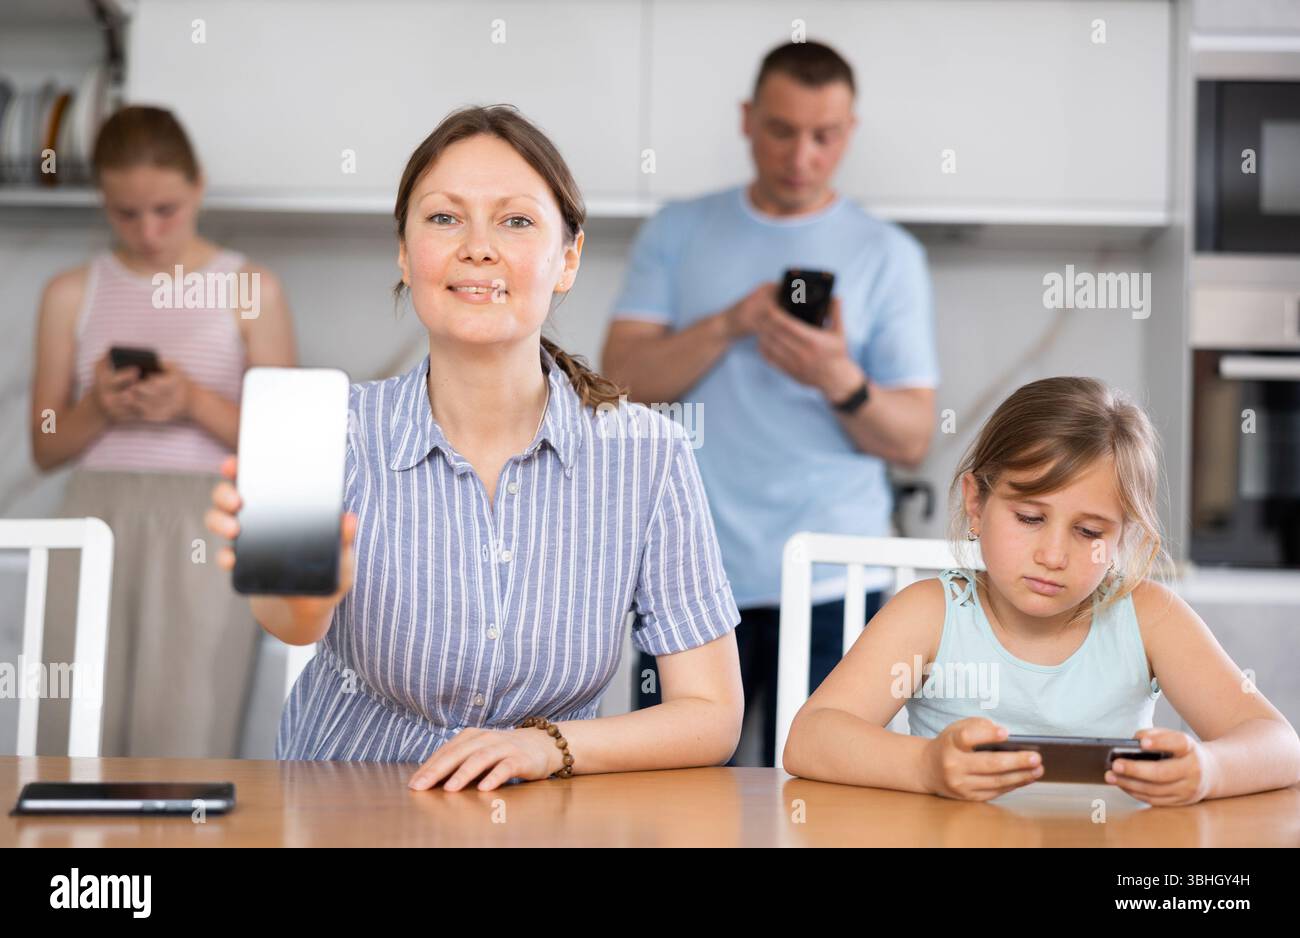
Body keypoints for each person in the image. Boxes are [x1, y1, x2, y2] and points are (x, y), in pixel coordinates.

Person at [205, 105, 744, 791]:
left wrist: (546, 747)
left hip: (543, 822)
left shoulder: (648, 455)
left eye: (516, 221)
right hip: (348, 812)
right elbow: (293, 626)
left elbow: (711, 715)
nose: (478, 246)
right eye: (443, 218)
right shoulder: (332, 430)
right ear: (405, 252)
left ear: (567, 259)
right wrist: (305, 588)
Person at [602, 41, 938, 765]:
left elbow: (912, 438)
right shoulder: (678, 230)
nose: (802, 157)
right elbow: (620, 380)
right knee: (672, 793)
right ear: (748, 120)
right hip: (689, 574)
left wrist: (837, 378)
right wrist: (729, 324)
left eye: (825, 136)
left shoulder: (889, 255)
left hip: (833, 580)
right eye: (783, 131)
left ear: (850, 131)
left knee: (831, 792)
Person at [783, 377, 1300, 804]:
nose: (1054, 556)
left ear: (1124, 537)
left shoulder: (1150, 617)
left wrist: (1209, 769)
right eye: (1030, 517)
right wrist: (925, 766)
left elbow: (1280, 745)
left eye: (1090, 532)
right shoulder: (930, 613)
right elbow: (810, 739)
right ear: (977, 503)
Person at [30, 105, 297, 757]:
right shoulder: (72, 291)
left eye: (166, 210)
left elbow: (286, 447)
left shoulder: (250, 287)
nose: (148, 232)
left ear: (198, 185)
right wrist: (99, 408)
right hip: (92, 517)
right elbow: (44, 446)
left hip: (205, 520)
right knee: (70, 730)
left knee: (184, 732)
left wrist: (191, 403)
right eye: (126, 213)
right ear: (103, 201)